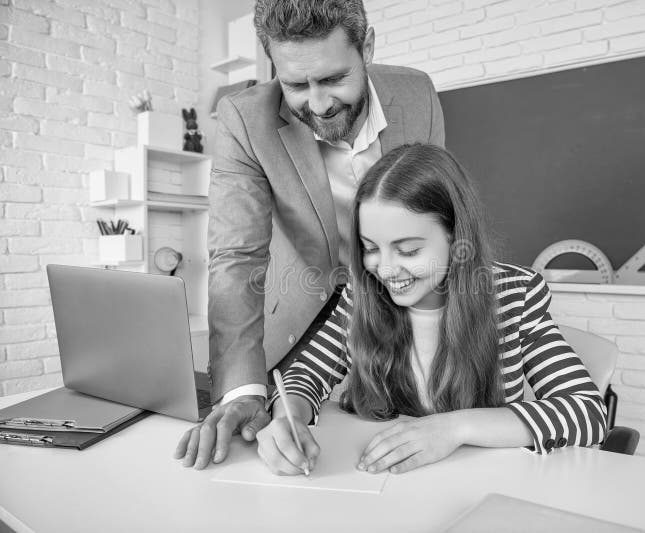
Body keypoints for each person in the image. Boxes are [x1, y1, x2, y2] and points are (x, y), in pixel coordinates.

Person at [174, 0, 445, 469]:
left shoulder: (417, 93)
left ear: (368, 48)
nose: (318, 104)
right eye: (296, 84)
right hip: (299, 323)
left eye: (334, 79)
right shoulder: (243, 118)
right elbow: (236, 257)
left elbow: (440, 214)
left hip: (394, 317)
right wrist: (243, 390)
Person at [257, 144, 608, 476]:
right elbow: (306, 374)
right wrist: (290, 418)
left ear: (456, 240)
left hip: (480, 483)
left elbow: (587, 413)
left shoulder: (515, 297)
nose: (387, 270)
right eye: (370, 248)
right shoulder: (362, 292)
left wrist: (455, 428)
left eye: (408, 250)